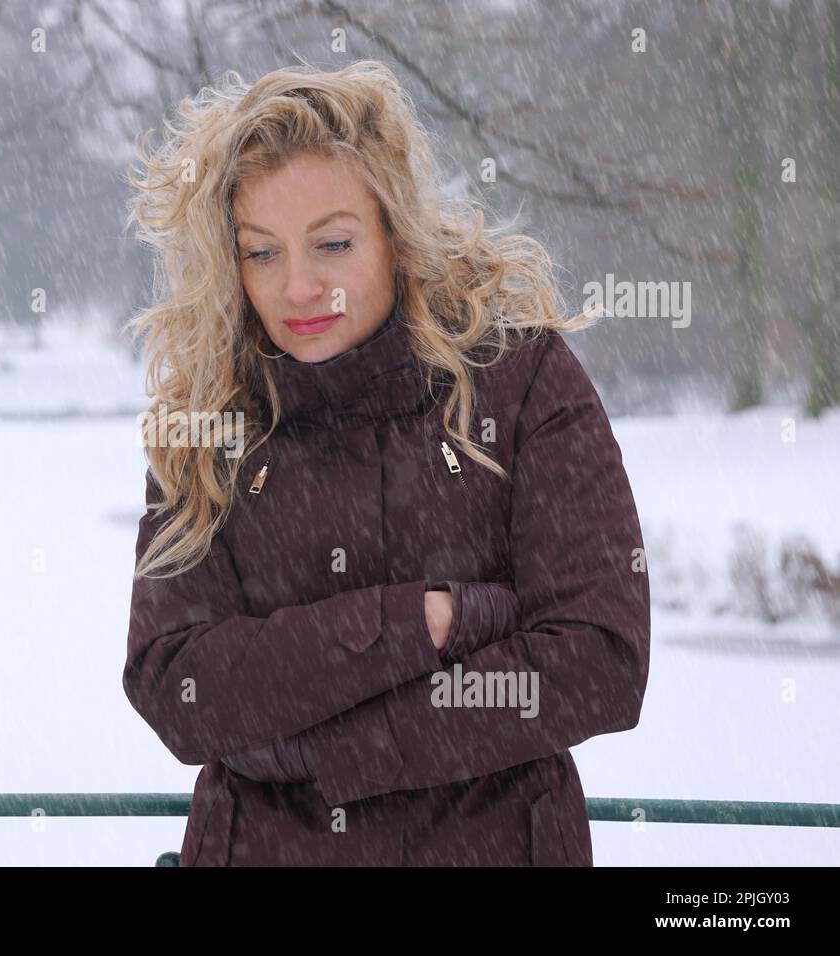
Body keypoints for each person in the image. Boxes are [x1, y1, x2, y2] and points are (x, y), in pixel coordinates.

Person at [121, 60, 650, 866]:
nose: (300, 286)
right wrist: (433, 620)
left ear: (395, 231)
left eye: (333, 243)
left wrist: (320, 748)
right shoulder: (209, 422)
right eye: (261, 253)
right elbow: (179, 688)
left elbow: (597, 661)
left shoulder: (522, 378)